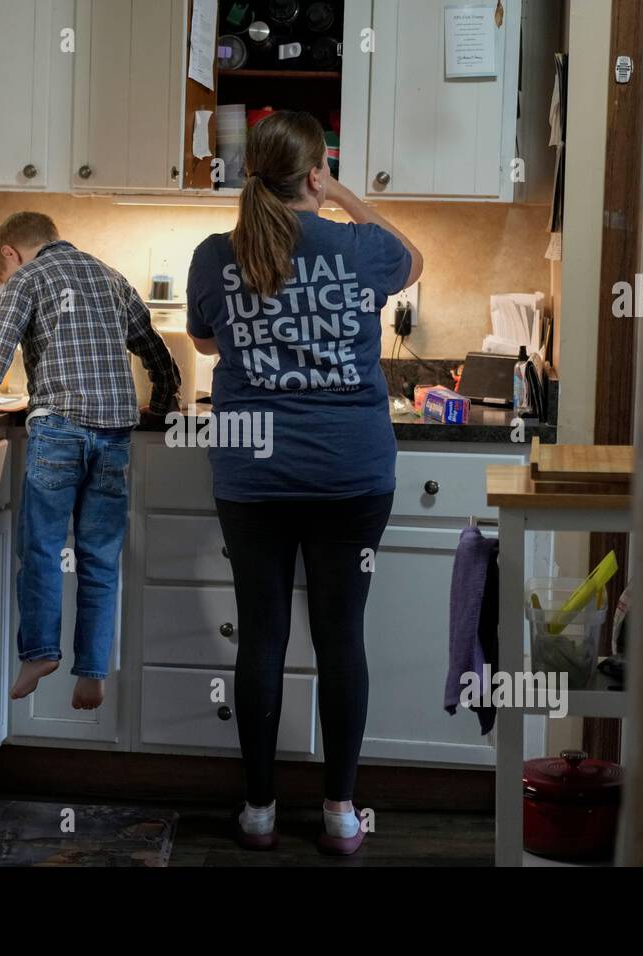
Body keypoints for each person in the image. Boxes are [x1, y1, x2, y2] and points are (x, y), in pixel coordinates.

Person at [186, 112, 423, 854]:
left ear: (251, 172)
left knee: (261, 634)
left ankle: (257, 813)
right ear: (315, 172)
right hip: (350, 473)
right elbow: (412, 260)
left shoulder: (213, 254)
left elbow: (202, 339)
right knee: (339, 636)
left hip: (252, 472)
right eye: (323, 169)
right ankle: (340, 813)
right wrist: (346, 196)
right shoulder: (356, 246)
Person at [0, 212, 180, 710]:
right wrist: (166, 397)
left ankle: (40, 652)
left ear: (8, 253)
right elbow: (153, 346)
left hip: (59, 427)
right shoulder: (110, 277)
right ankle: (92, 670)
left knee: (42, 547)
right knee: (100, 556)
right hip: (113, 434)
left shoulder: (28, 277)